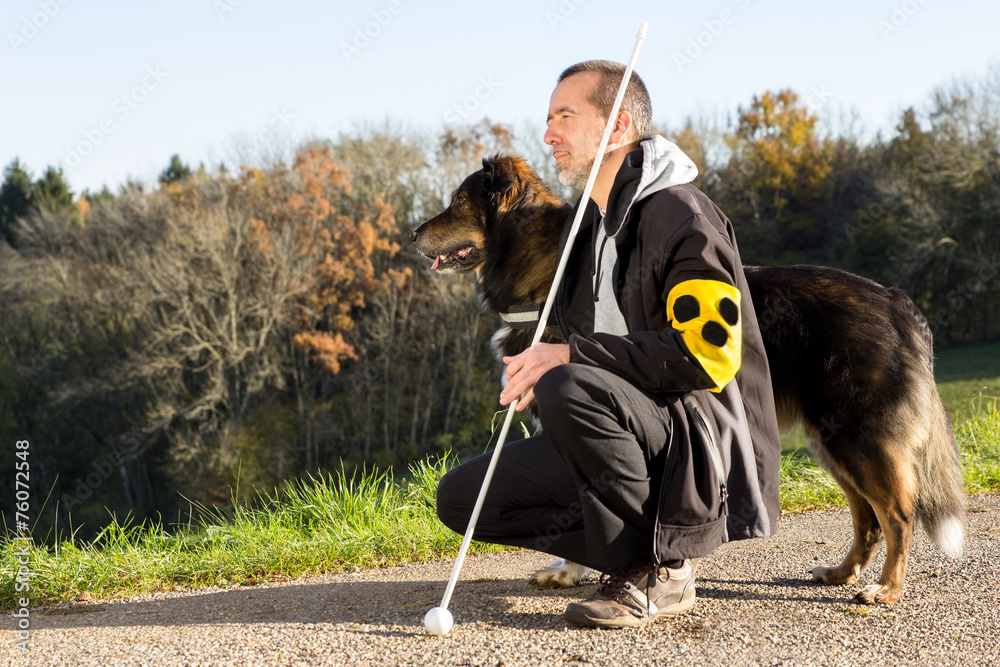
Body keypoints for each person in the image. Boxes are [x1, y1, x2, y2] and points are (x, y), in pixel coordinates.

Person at [436, 60, 782, 629]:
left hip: (696, 449)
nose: (548, 133)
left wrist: (569, 358)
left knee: (568, 381)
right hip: (629, 434)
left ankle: (660, 568)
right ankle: (624, 549)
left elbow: (710, 355)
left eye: (565, 117)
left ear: (618, 127)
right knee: (463, 500)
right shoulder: (588, 226)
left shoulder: (681, 216)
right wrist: (536, 367)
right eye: (548, 119)